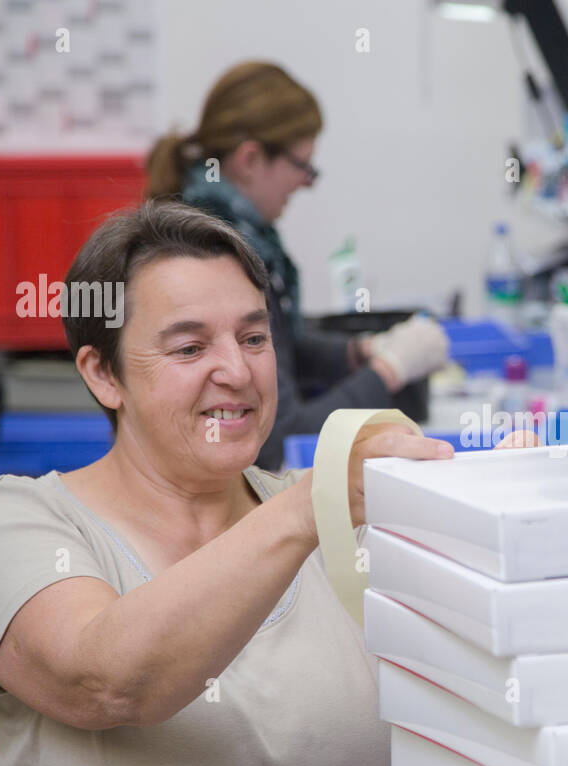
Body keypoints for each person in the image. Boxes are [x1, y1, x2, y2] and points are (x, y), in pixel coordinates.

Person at [0, 201, 461, 766]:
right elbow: (105, 680)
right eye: (190, 348)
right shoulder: (15, 520)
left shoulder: (341, 522)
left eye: (254, 338)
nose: (239, 372)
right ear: (104, 374)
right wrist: (315, 505)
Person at [144, 61, 448, 471]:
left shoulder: (215, 226)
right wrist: (388, 372)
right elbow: (283, 436)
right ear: (251, 159)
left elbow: (277, 345)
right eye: (302, 165)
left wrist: (357, 353)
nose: (306, 182)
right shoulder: (220, 256)